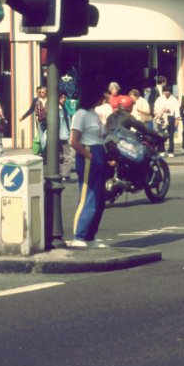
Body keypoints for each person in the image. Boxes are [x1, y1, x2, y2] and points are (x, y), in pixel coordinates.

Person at [68, 89, 109, 249]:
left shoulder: (94, 114)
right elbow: (73, 141)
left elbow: (103, 135)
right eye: (101, 95)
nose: (104, 97)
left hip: (98, 153)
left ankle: (90, 235)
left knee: (99, 196)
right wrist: (89, 156)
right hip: (89, 153)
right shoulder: (81, 114)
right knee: (88, 195)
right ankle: (79, 235)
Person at [153, 85, 180, 158]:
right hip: (161, 117)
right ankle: (162, 151)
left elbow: (177, 109)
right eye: (165, 91)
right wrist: (160, 112)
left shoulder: (174, 99)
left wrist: (177, 119)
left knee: (171, 135)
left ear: (170, 92)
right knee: (161, 135)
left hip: (170, 117)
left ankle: (171, 151)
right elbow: (155, 108)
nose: (166, 92)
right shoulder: (159, 99)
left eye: (168, 91)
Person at [20, 85, 48, 153]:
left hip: (47, 122)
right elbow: (31, 110)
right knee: (42, 139)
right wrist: (23, 117)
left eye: (42, 92)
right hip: (40, 122)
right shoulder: (36, 100)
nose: (40, 93)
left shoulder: (48, 100)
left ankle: (46, 152)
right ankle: (44, 154)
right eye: (39, 92)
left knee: (45, 138)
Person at [56, 92, 75, 182]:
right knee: (66, 157)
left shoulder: (64, 108)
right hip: (59, 136)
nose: (64, 99)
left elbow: (68, 122)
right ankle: (63, 175)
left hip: (64, 135)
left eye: (65, 97)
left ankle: (64, 175)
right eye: (62, 97)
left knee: (67, 156)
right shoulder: (55, 108)